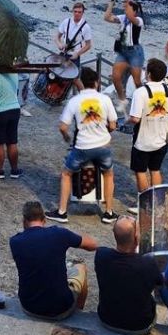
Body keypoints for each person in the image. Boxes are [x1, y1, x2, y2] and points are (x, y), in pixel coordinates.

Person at [48, 67, 119, 223]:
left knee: (66, 174)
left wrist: (66, 137)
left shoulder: (74, 101)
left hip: (82, 147)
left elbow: (63, 127)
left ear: (80, 82)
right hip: (103, 146)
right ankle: (108, 212)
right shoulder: (105, 99)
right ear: (96, 82)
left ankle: (62, 212)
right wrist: (104, 133)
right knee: (108, 174)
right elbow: (113, 125)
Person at [9, 201, 98, 320]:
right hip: (60, 309)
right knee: (81, 267)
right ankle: (77, 313)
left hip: (28, 306)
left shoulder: (15, 241)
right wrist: (74, 237)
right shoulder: (59, 234)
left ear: (24, 221)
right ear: (44, 219)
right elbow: (92, 245)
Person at [128, 59, 168, 205]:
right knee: (155, 170)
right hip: (162, 139)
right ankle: (157, 201)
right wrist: (167, 116)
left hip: (143, 140)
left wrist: (128, 119)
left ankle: (144, 203)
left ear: (148, 74)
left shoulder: (140, 92)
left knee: (140, 171)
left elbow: (135, 118)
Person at [94, 217, 163, 335]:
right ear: (136, 238)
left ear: (114, 234)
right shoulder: (147, 263)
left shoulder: (101, 255)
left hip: (106, 320)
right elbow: (160, 283)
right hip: (140, 326)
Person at [105, 0, 144, 103]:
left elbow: (131, 18)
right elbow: (107, 17)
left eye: (128, 8)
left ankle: (143, 99)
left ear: (135, 11)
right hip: (123, 52)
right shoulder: (123, 18)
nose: (125, 10)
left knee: (137, 81)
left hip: (135, 52)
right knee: (115, 77)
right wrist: (111, 5)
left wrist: (127, 3)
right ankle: (122, 99)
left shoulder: (139, 20)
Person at [54, 2, 93, 67]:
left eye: (79, 12)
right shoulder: (66, 22)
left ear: (83, 13)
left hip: (74, 56)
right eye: (75, 11)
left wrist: (78, 54)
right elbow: (57, 37)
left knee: (73, 76)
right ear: (72, 11)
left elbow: (88, 45)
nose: (77, 14)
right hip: (63, 53)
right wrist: (59, 44)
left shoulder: (86, 27)